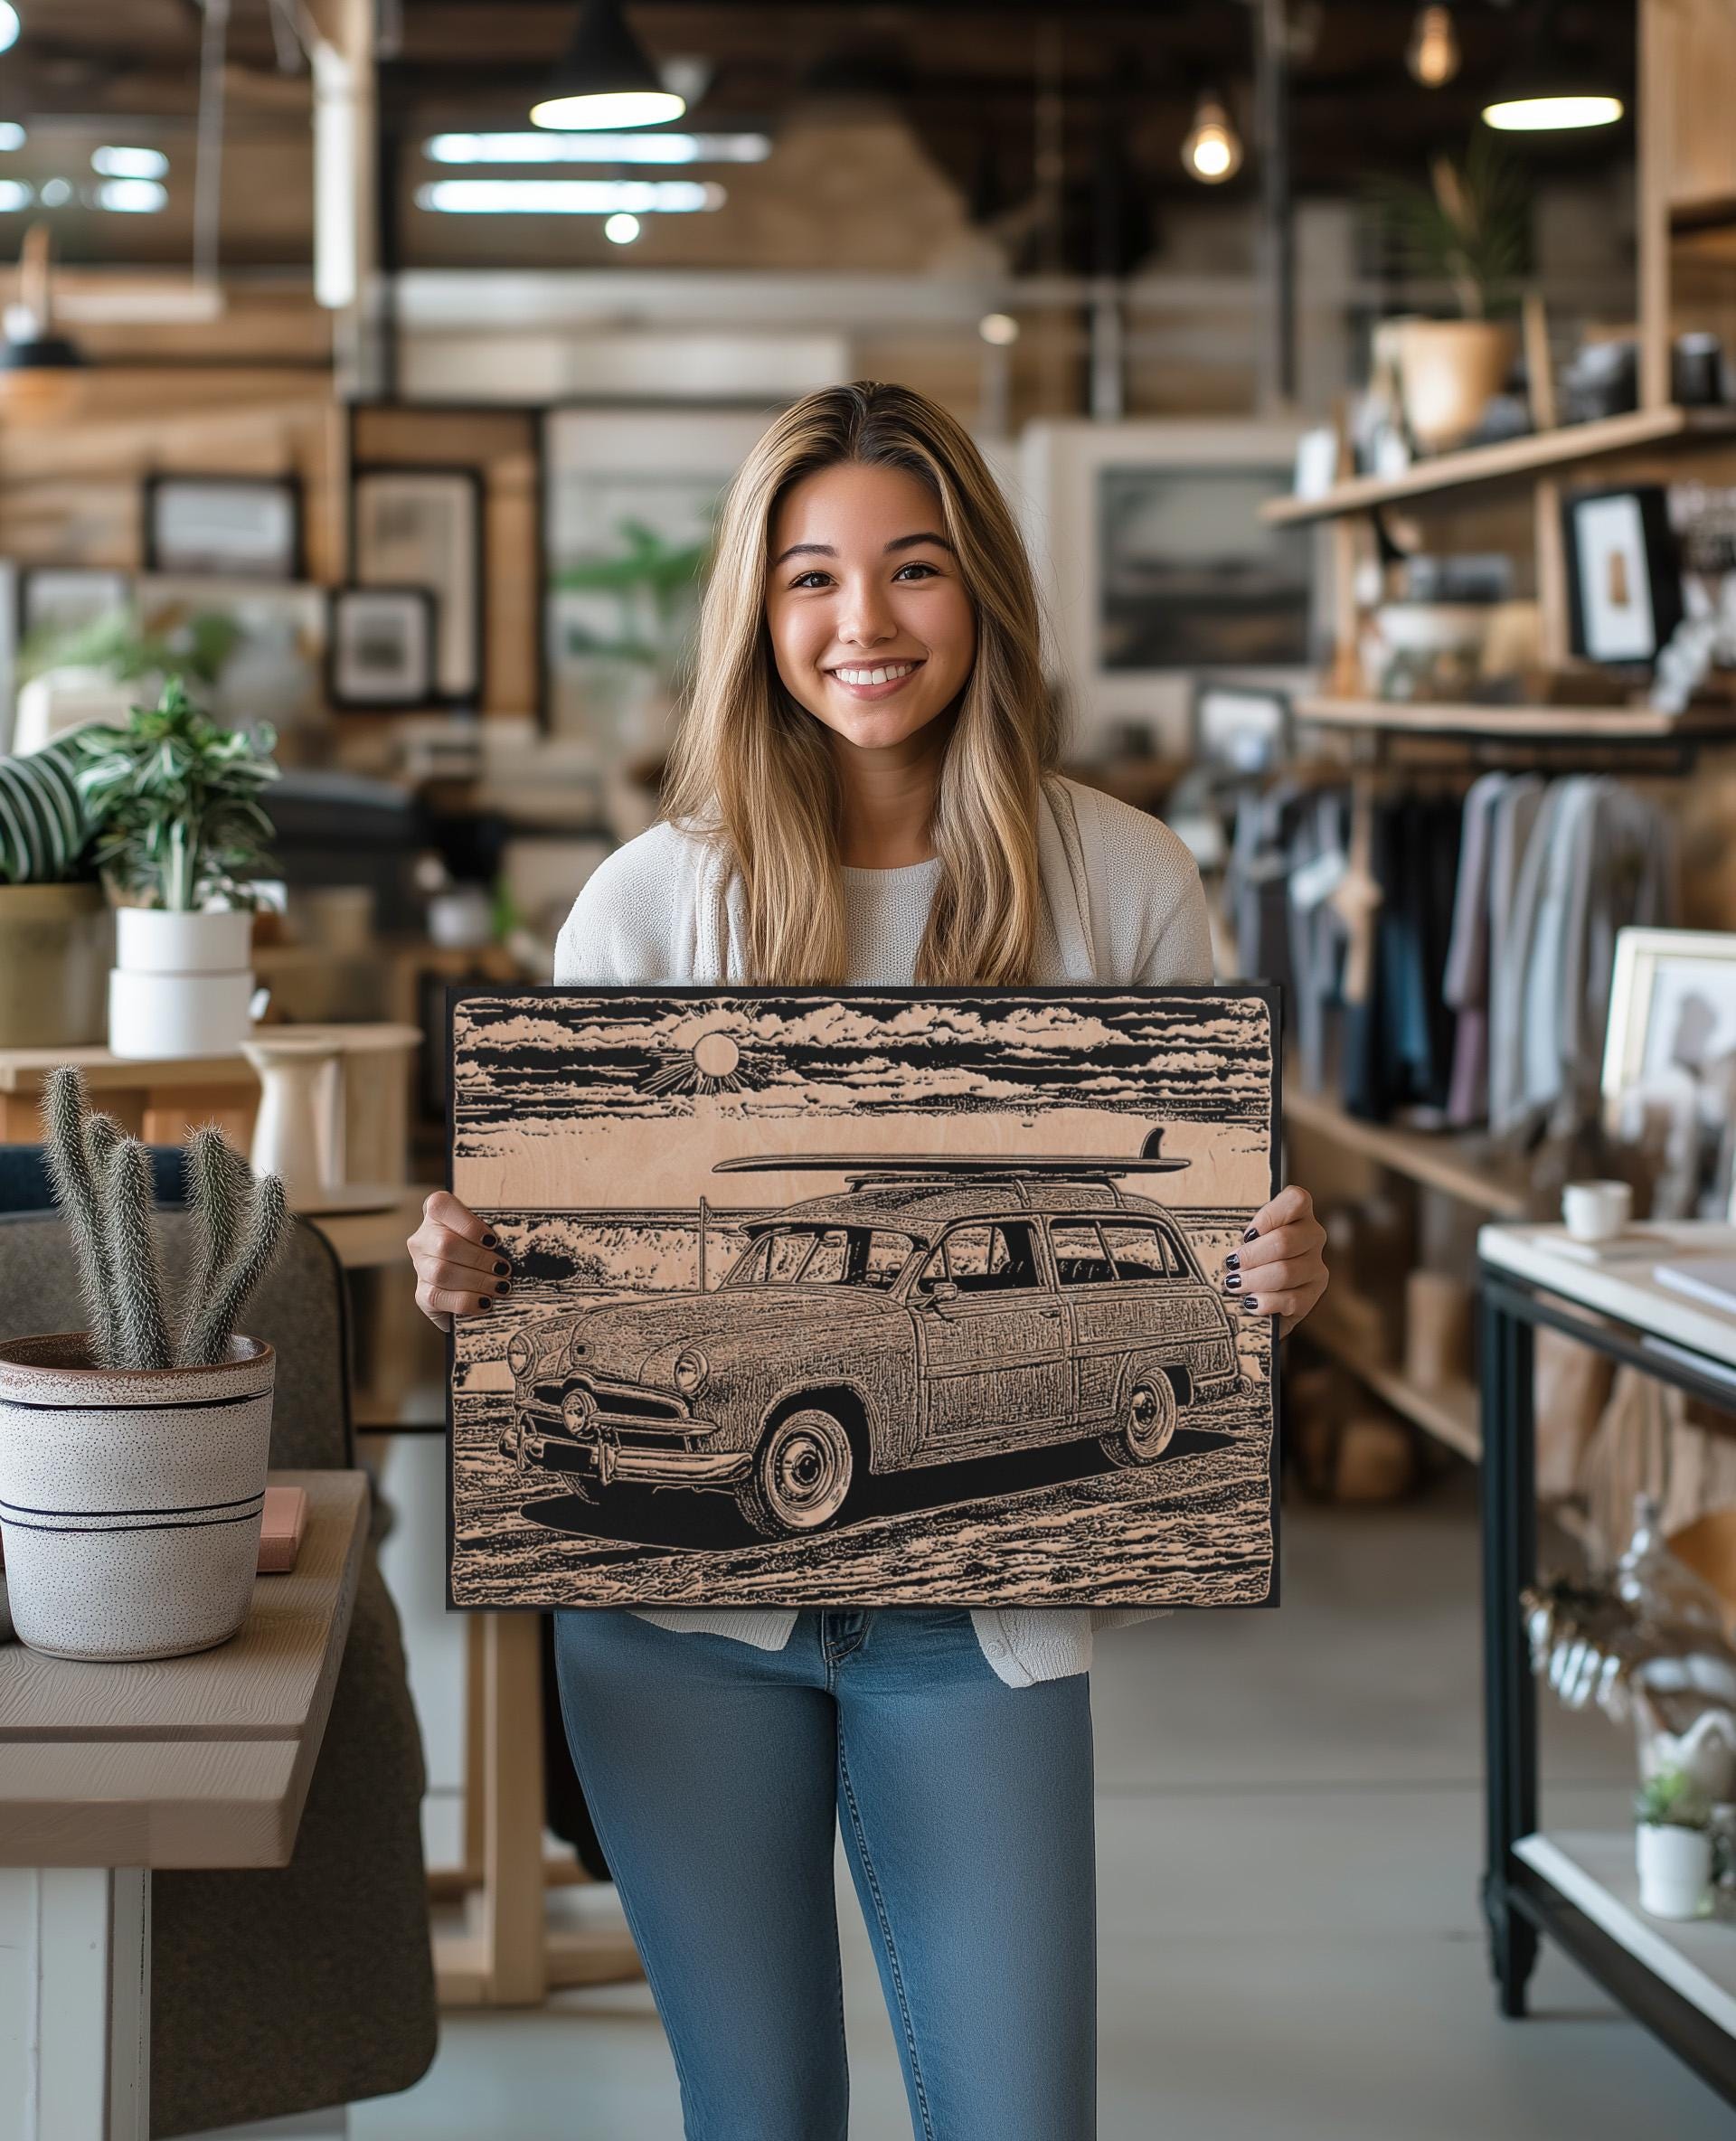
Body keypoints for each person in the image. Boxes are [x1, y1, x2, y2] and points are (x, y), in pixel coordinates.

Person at [407, 380, 1329, 2141]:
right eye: (813, 576)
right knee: (757, 2113)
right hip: (680, 1619)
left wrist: (1277, 1271)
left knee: (1015, 2112)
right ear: (758, 610)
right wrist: (476, 1273)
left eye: (911, 569)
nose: (864, 623)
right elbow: (552, 1262)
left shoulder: (1121, 877)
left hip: (975, 1617)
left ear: (979, 589)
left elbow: (1215, 1246)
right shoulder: (650, 899)